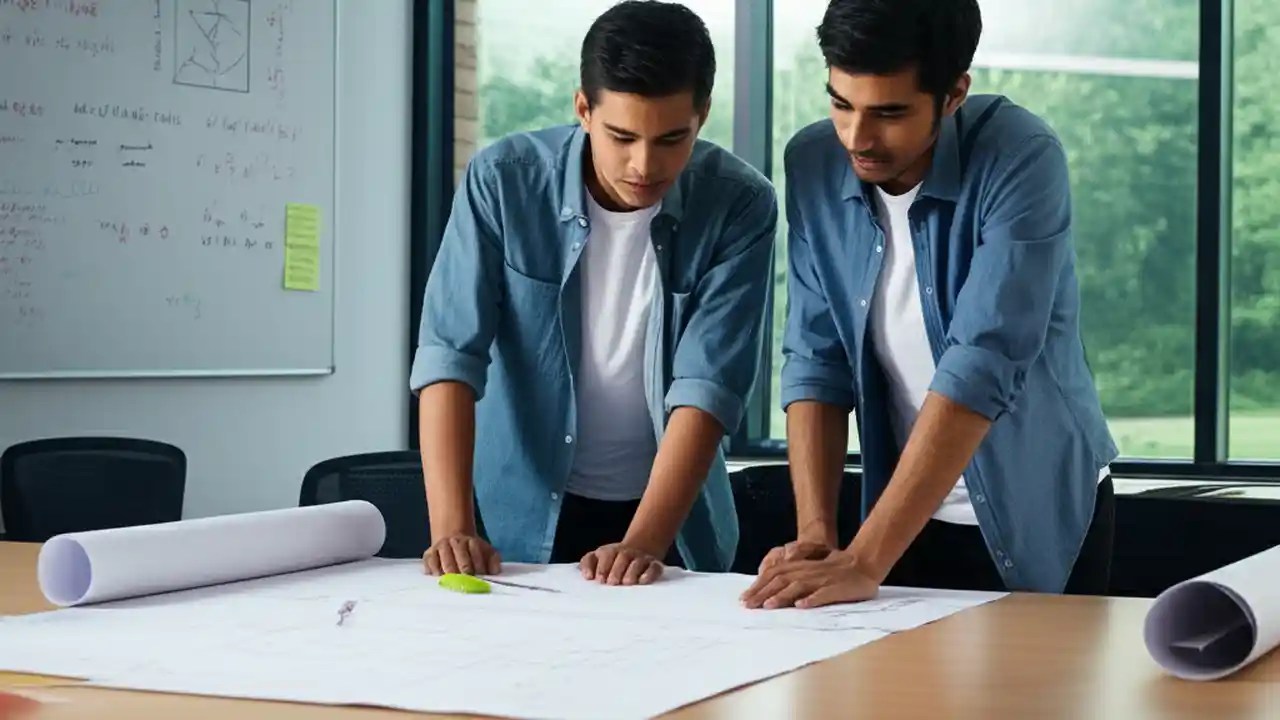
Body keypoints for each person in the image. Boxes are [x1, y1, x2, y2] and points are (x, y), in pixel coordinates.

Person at [742, 0, 1118, 610]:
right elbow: (815, 357)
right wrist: (818, 534)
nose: (857, 137)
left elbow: (983, 360)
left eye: (889, 113)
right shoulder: (812, 162)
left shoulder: (1020, 155)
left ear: (953, 95)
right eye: (841, 104)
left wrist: (865, 559)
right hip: (898, 518)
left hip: (1038, 508)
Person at [411, 1, 775, 586]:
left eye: (672, 138)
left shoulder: (739, 203)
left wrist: (643, 542)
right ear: (584, 108)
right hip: (521, 517)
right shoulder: (503, 182)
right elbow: (450, 356)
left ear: (702, 115)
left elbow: (708, 386)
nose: (644, 165)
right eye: (622, 136)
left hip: (672, 525)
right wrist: (452, 528)